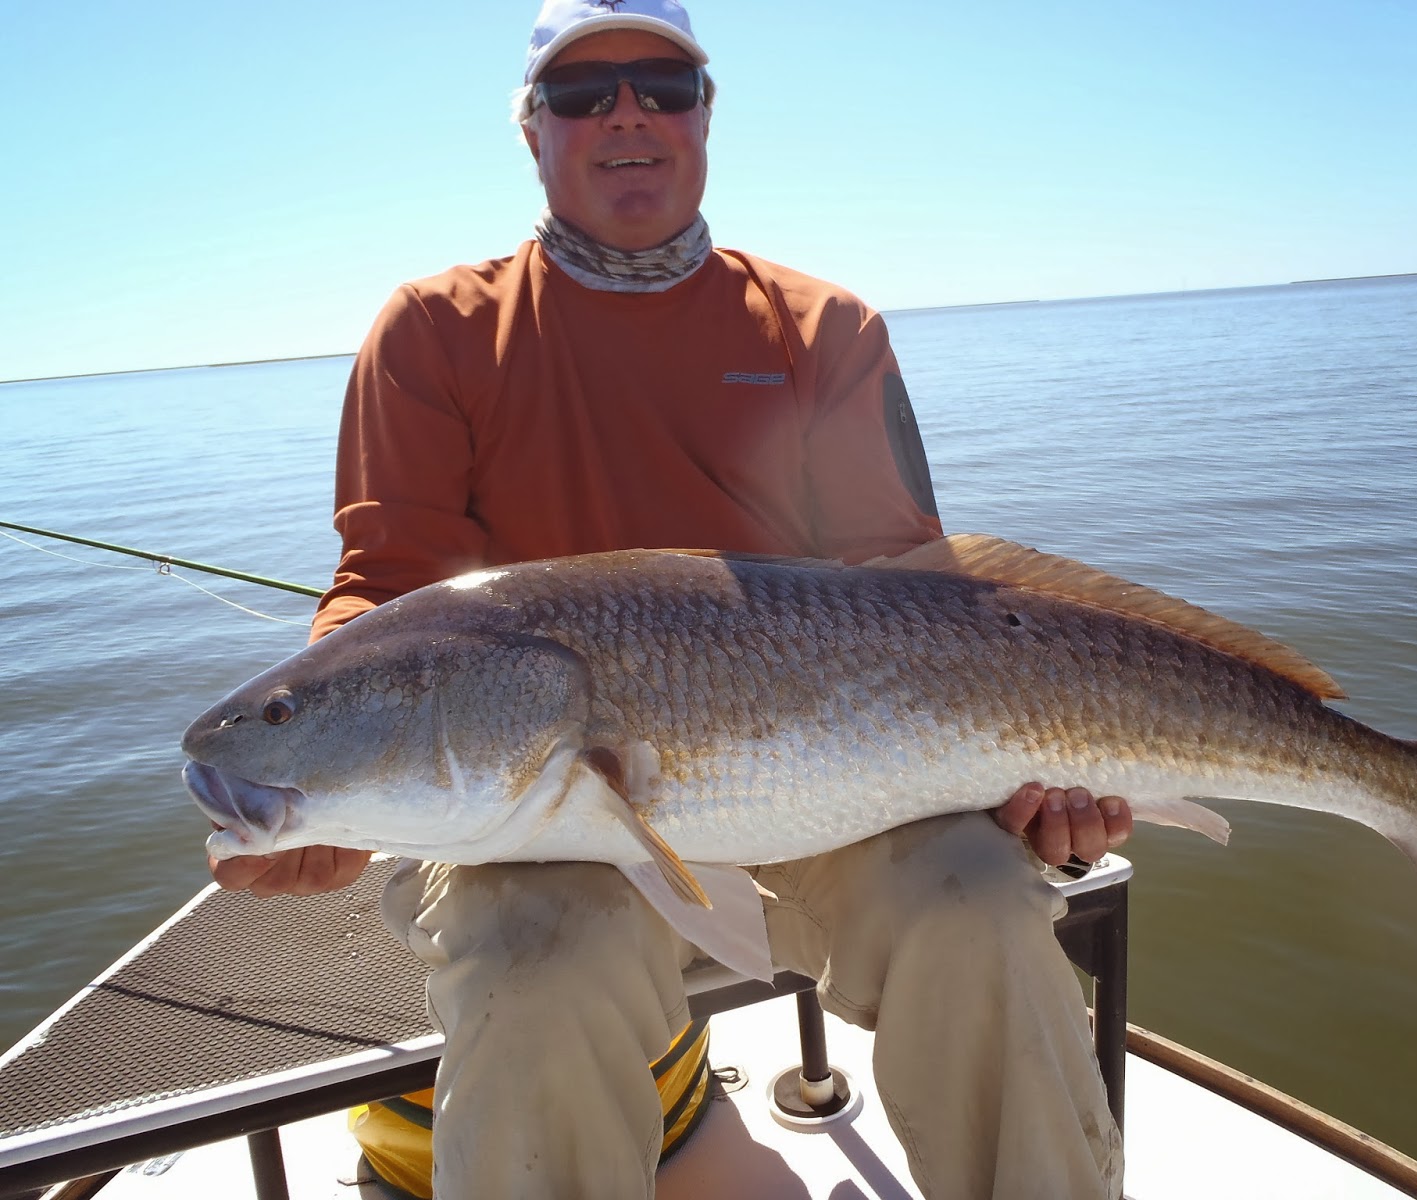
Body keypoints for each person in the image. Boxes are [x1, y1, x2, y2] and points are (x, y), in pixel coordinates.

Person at [211, 2, 1131, 1195]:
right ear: (531, 130)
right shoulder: (435, 332)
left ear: (706, 115)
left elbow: (919, 604)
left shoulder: (822, 327)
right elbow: (384, 594)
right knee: (540, 971)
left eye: (662, 83)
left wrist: (1043, 764)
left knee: (983, 911)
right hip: (538, 807)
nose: (626, 114)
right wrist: (321, 782)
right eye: (581, 93)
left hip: (836, 788)